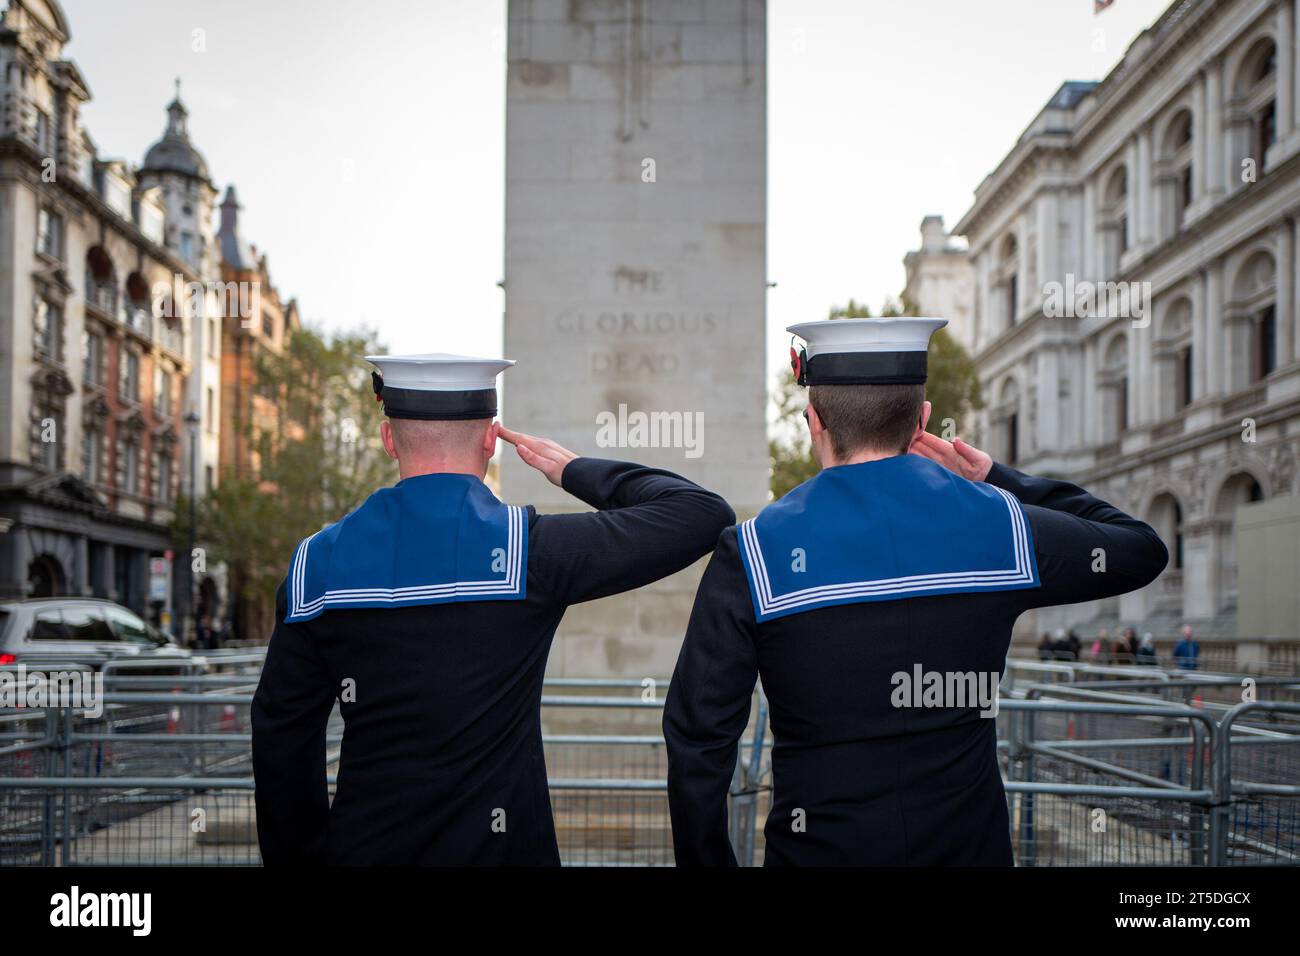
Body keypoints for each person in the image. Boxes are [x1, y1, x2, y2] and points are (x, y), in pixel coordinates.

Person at [663, 317, 1168, 866]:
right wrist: (1002, 480)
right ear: (923, 418)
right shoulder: (1001, 525)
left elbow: (697, 737)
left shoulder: (755, 549)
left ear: (814, 419)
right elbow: (1140, 548)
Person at [251, 352, 734, 865]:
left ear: (388, 439)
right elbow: (702, 514)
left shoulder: (315, 564)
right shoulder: (530, 553)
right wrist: (573, 470)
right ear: (490, 442)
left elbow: (281, 737)